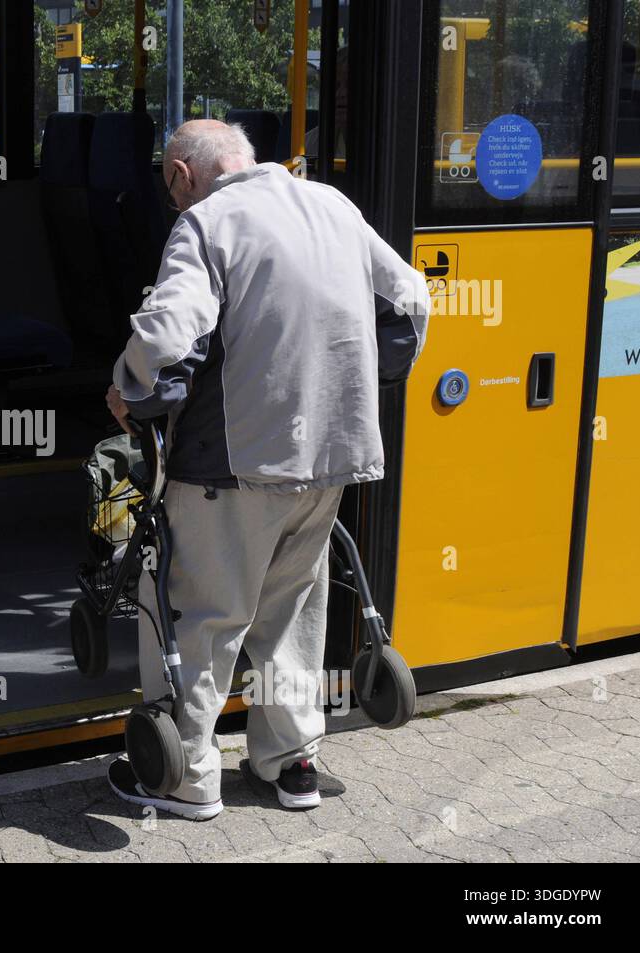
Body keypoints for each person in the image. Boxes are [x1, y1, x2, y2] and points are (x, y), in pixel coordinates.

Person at [105, 120, 430, 819]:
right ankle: (291, 766)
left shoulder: (206, 223)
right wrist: (361, 382)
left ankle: (188, 778)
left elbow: (168, 334)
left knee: (204, 617)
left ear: (184, 176)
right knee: (291, 615)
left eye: (171, 191)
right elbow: (410, 299)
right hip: (333, 457)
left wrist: (127, 385)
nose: (174, 204)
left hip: (233, 466)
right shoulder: (333, 205)